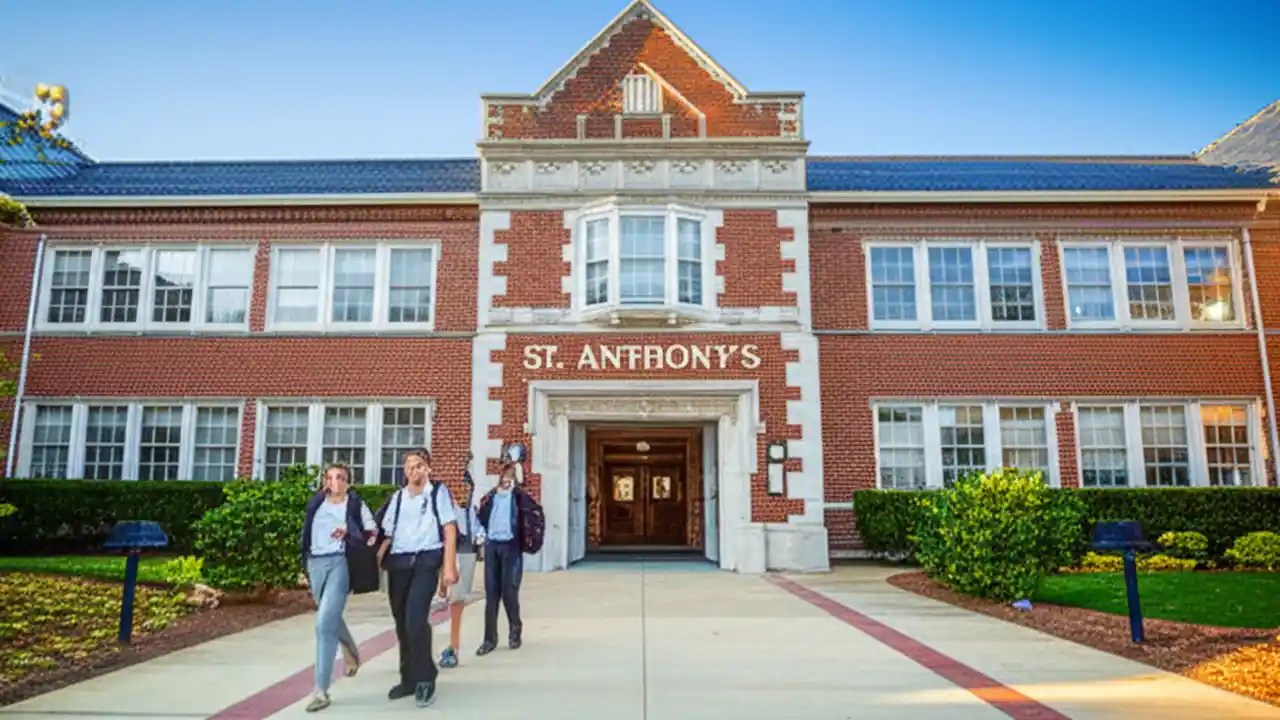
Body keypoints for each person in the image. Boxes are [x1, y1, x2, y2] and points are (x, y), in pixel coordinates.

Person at [377, 448, 459, 708]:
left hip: (426, 560)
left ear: (428, 468)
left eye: (420, 465)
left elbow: (449, 530)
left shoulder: (437, 493)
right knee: (401, 623)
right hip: (399, 562)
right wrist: (373, 562)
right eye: (410, 466)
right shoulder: (398, 498)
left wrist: (448, 569)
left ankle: (426, 678)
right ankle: (408, 678)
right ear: (405, 470)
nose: (415, 470)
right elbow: (387, 535)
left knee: (415, 620)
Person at [299, 462, 378, 713]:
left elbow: (372, 532)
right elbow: (306, 533)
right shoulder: (316, 503)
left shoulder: (354, 504)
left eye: (341, 477)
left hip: (339, 563)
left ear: (348, 482)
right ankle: (351, 649)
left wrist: (349, 530)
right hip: (315, 564)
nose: (336, 482)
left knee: (323, 625)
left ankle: (320, 690)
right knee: (329, 616)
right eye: (331, 477)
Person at [475, 462, 538, 655]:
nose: (507, 480)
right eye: (505, 476)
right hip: (493, 545)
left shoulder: (520, 499)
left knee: (509, 592)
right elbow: (481, 518)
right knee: (492, 595)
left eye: (511, 477)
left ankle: (515, 629)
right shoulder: (490, 498)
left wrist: (530, 539)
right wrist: (480, 537)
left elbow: (535, 516)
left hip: (511, 547)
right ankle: (489, 638)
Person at [439, 456, 484, 669]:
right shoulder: (439, 506)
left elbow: (476, 530)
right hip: (435, 555)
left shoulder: (467, 510)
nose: (463, 489)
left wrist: (479, 542)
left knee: (456, 602)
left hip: (463, 553)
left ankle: (452, 647)